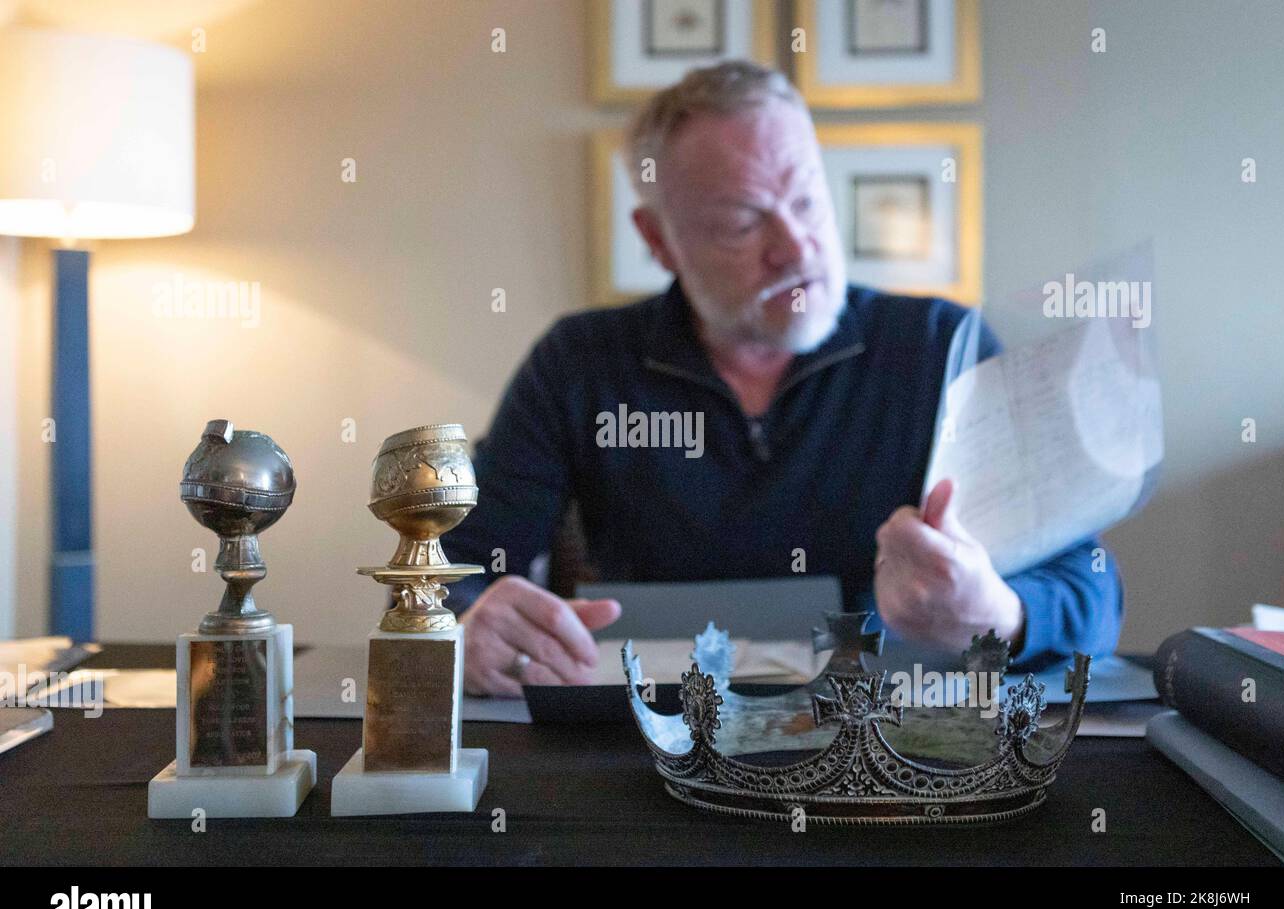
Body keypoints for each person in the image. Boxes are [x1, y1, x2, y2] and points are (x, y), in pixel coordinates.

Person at [443, 60, 1123, 697]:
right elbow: (445, 577)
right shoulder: (580, 363)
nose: (795, 249)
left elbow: (1090, 589)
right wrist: (468, 627)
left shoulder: (939, 347)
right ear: (658, 241)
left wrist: (999, 613)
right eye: (742, 222)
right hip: (656, 742)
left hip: (892, 756)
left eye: (805, 198)